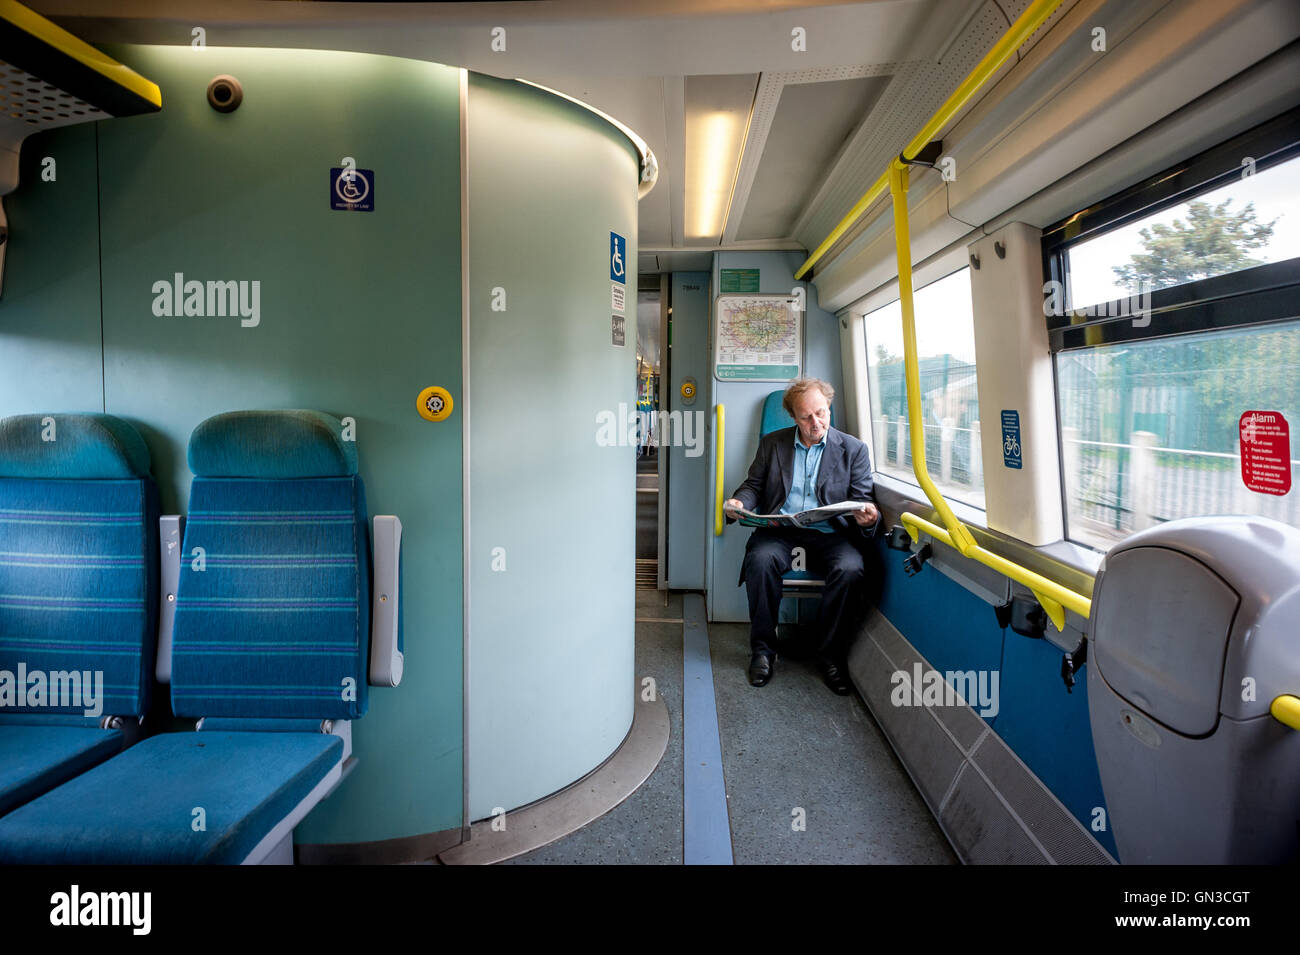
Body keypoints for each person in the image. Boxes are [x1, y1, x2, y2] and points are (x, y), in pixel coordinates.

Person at [723, 377, 881, 694]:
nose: (815, 423)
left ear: (829, 408)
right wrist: (739, 503)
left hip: (830, 533)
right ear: (793, 417)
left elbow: (862, 499)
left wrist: (867, 518)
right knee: (760, 560)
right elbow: (753, 486)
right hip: (781, 531)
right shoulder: (773, 444)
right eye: (806, 416)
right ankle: (764, 651)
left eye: (821, 413)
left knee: (850, 569)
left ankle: (830, 656)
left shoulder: (854, 450)